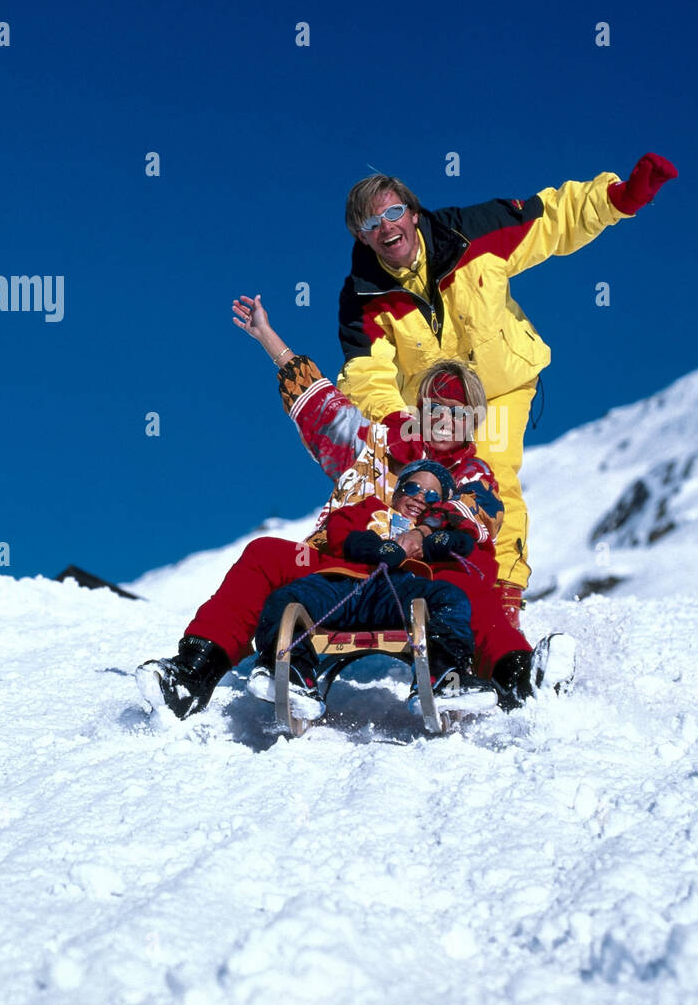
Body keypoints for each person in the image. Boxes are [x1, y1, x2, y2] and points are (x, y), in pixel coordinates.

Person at [136, 297, 570, 719]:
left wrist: (421, 534)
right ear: (420, 409)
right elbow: (323, 411)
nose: (443, 420)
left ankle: (517, 676)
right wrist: (269, 339)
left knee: (474, 577)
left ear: (473, 421)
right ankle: (192, 675)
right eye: (435, 408)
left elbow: (481, 515)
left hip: (425, 575)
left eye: (457, 413)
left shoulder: (472, 472)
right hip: (342, 566)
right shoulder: (375, 444)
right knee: (264, 555)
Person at [336, 152, 679, 627]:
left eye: (393, 212)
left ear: (413, 213)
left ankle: (503, 598)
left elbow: (549, 219)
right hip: (430, 408)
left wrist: (618, 198)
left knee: (491, 477)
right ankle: (436, 593)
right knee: (421, 490)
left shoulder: (470, 233)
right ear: (360, 235)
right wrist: (396, 422)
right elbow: (365, 372)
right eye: (370, 222)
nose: (386, 227)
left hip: (500, 386)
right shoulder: (362, 296)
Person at [247, 463, 492, 720]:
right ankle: (292, 673)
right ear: (397, 492)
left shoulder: (427, 531)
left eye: (432, 496)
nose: (420, 497)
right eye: (413, 488)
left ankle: (443, 676)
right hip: (342, 584)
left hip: (396, 592)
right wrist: (376, 548)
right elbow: (339, 530)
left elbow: (463, 545)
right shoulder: (370, 508)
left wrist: (445, 540)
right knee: (285, 598)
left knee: (449, 598)